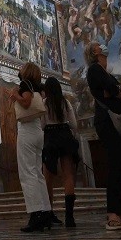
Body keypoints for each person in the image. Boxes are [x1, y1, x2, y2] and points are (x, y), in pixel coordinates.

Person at [85, 42, 121, 229]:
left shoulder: (106, 72)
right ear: (95, 52)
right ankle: (112, 212)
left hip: (118, 120)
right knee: (115, 163)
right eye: (98, 46)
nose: (102, 46)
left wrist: (117, 91)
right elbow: (113, 89)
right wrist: (116, 90)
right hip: (107, 120)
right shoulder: (94, 69)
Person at [12, 62, 52, 232]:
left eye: (22, 67)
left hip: (27, 131)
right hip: (37, 129)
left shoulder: (24, 84)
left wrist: (15, 96)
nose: (19, 68)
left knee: (27, 173)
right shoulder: (38, 86)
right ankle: (46, 212)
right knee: (37, 173)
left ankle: (35, 214)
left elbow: (26, 103)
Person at [43, 76, 81, 227]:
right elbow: (73, 124)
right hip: (65, 135)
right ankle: (69, 217)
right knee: (68, 176)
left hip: (50, 137)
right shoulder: (65, 102)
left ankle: (49, 212)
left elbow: (41, 125)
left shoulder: (45, 103)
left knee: (48, 177)